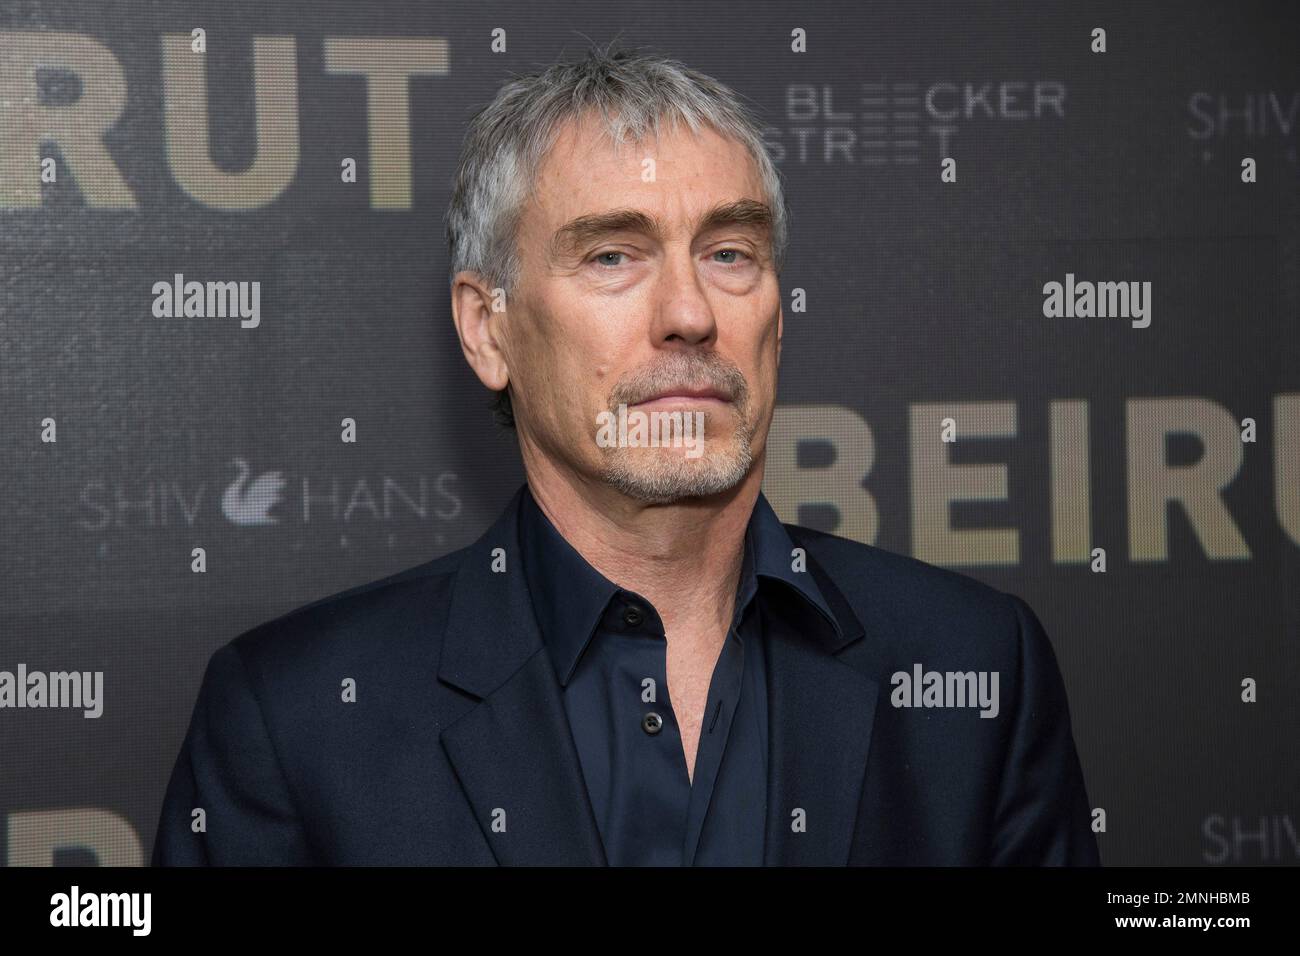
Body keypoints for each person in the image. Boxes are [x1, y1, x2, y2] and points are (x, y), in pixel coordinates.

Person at [152, 43, 1100, 866]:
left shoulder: (974, 669)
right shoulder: (298, 718)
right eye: (613, 256)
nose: (690, 313)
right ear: (488, 330)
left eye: (730, 252)